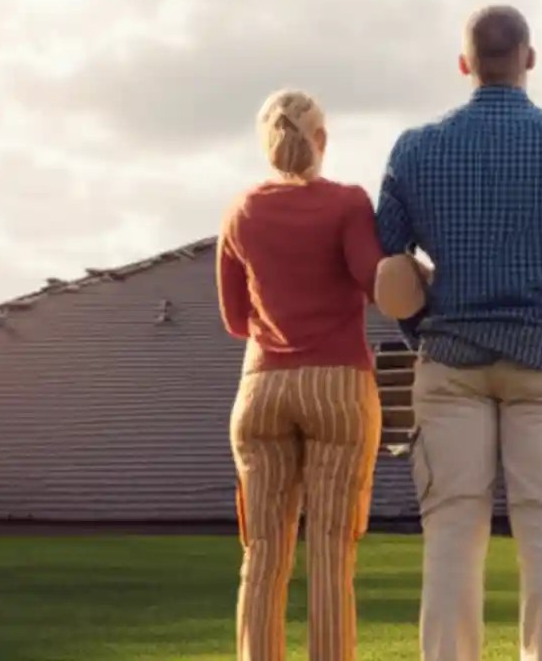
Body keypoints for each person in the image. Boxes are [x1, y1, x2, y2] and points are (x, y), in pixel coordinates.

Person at [375, 5, 542, 660]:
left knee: (451, 544)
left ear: (464, 65)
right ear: (529, 59)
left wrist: (418, 333)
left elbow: (388, 266)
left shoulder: (414, 149)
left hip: (451, 360)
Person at [217, 89, 394, 661]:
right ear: (321, 140)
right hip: (338, 387)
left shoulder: (240, 210)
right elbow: (376, 283)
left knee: (263, 552)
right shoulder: (347, 204)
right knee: (330, 552)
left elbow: (234, 321)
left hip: (262, 388)